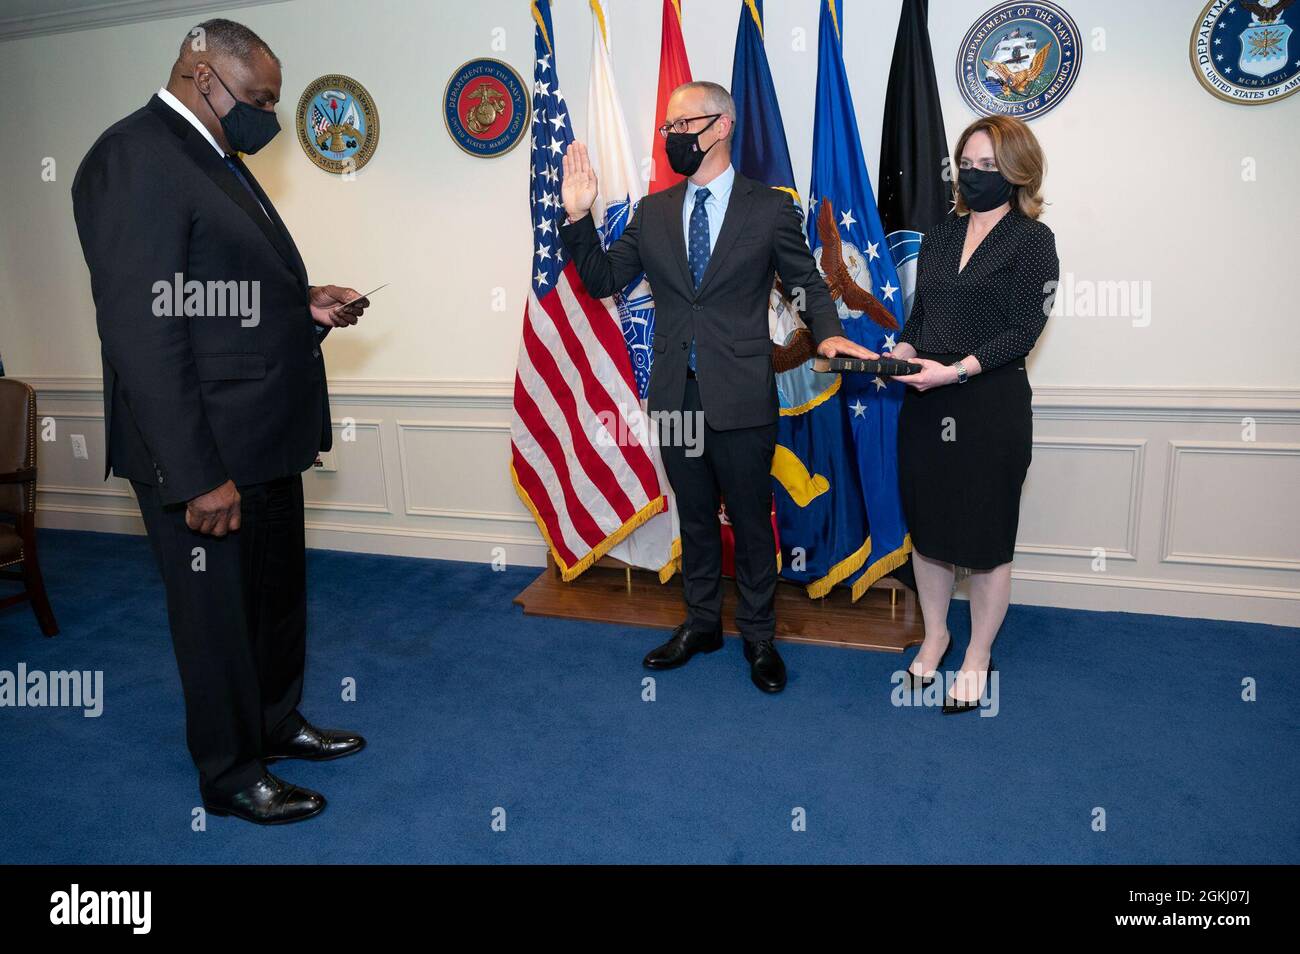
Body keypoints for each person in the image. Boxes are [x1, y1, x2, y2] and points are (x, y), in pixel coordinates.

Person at [71, 19, 370, 823]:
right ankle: (232, 773)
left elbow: (218, 304)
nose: (268, 116)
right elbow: (144, 332)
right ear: (205, 77)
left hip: (265, 437)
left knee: (275, 601)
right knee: (216, 622)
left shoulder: (216, 159)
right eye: (260, 99)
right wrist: (197, 472)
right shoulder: (134, 156)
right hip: (203, 453)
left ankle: (275, 725)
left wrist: (304, 311)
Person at [558, 81, 876, 693]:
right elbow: (600, 279)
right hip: (676, 396)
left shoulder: (769, 208)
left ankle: (758, 636)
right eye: (667, 129)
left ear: (721, 125)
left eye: (682, 125)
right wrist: (578, 215)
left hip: (742, 393)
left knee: (753, 522)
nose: (672, 136)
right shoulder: (653, 211)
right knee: (696, 518)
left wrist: (829, 335)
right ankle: (701, 623)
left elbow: (805, 279)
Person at [884, 114, 1059, 714]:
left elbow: (1024, 330)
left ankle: (978, 655)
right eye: (968, 162)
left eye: (989, 165)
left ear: (1017, 171)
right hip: (926, 405)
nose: (974, 174)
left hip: (989, 406)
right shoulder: (937, 236)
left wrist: (956, 370)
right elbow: (920, 317)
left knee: (986, 541)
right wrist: (903, 351)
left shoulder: (1035, 241)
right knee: (929, 535)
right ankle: (936, 636)